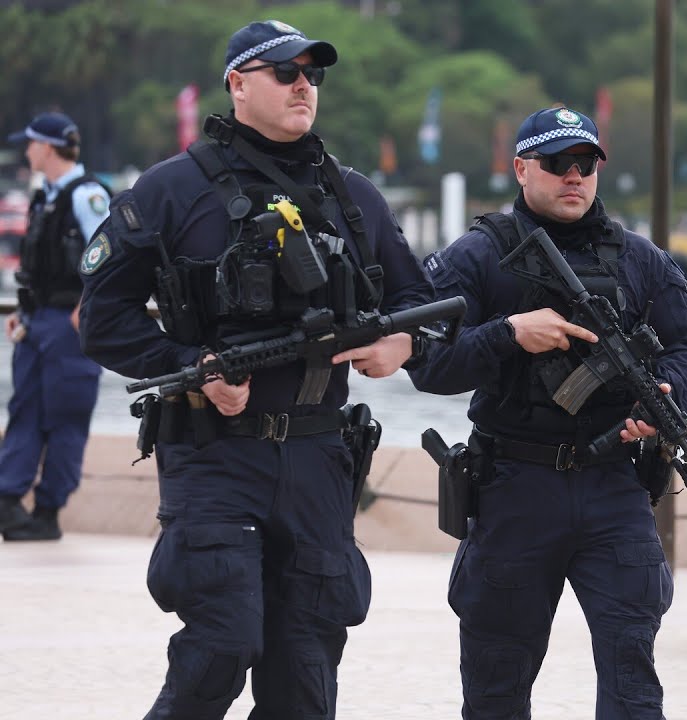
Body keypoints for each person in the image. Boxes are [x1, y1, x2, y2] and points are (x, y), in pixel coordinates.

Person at [77, 20, 433, 718]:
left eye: (313, 74)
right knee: (222, 644)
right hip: (215, 454)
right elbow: (102, 318)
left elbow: (418, 302)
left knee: (304, 673)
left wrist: (404, 346)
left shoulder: (354, 196)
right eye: (285, 72)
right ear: (238, 84)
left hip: (318, 455)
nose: (304, 85)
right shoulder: (170, 190)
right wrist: (190, 365)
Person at [408, 106, 687, 719]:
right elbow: (427, 365)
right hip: (514, 486)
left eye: (586, 164)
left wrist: (666, 397)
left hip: (615, 485)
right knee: (497, 678)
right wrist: (508, 335)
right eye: (557, 164)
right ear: (522, 169)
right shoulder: (477, 256)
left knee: (632, 673)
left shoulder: (640, 260)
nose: (574, 176)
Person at [0, 112, 110, 542]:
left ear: (46, 147)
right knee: (25, 410)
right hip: (38, 320)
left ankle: (48, 509)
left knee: (66, 415)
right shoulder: (45, 194)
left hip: (67, 323)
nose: (27, 152)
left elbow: (110, 256)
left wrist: (86, 309)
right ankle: (8, 501)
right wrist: (25, 308)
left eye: (30, 145)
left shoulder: (87, 196)